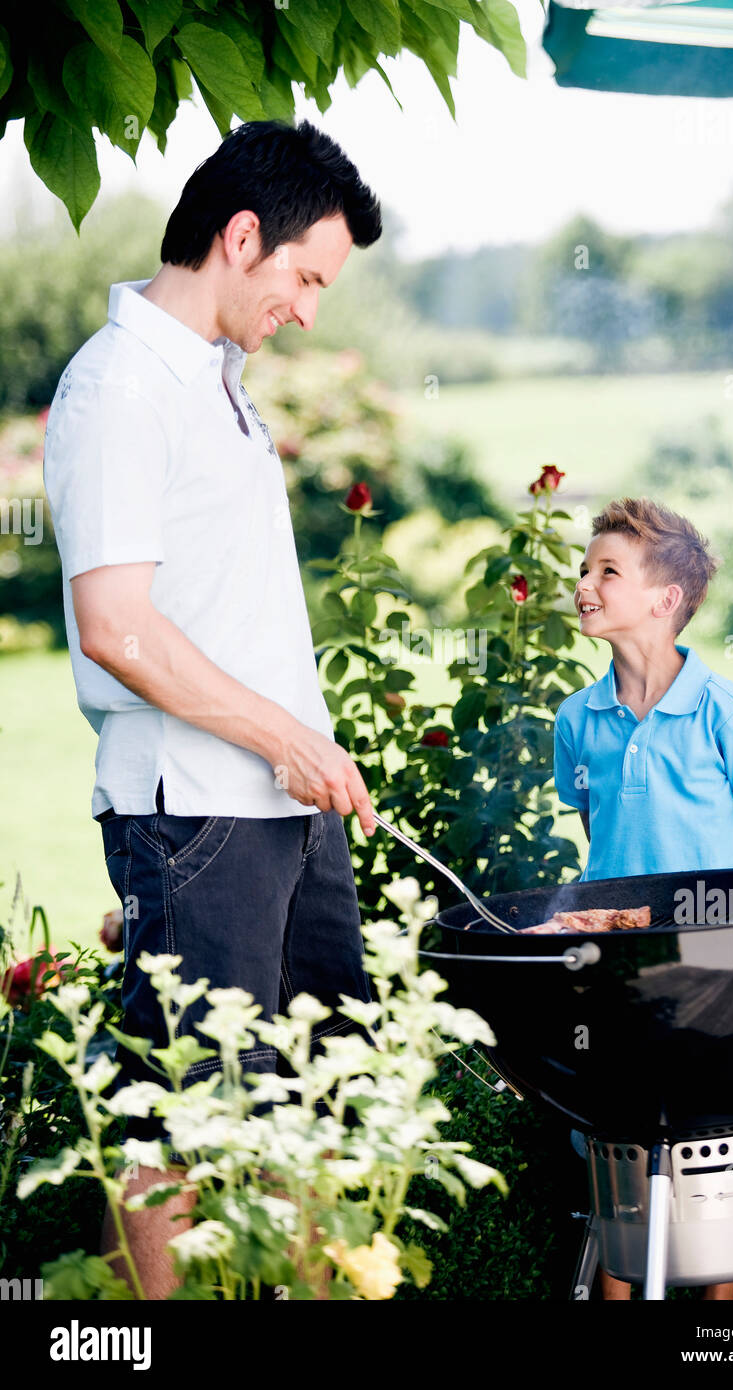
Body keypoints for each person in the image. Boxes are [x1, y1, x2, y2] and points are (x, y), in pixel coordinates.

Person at [42, 119, 383, 1299]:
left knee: (316, 1090)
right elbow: (116, 627)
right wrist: (285, 736)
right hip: (196, 817)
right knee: (176, 1121)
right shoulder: (120, 387)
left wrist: (307, 740)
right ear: (242, 237)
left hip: (281, 804)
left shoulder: (215, 383)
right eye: (303, 275)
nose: (307, 308)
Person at [554, 496, 733, 1301]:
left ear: (664, 601)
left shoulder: (727, 711)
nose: (584, 582)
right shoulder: (576, 720)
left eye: (606, 571)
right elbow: (603, 829)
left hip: (713, 952)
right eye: (584, 569)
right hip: (617, 959)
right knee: (618, 1128)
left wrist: (701, 888)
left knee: (710, 1123)